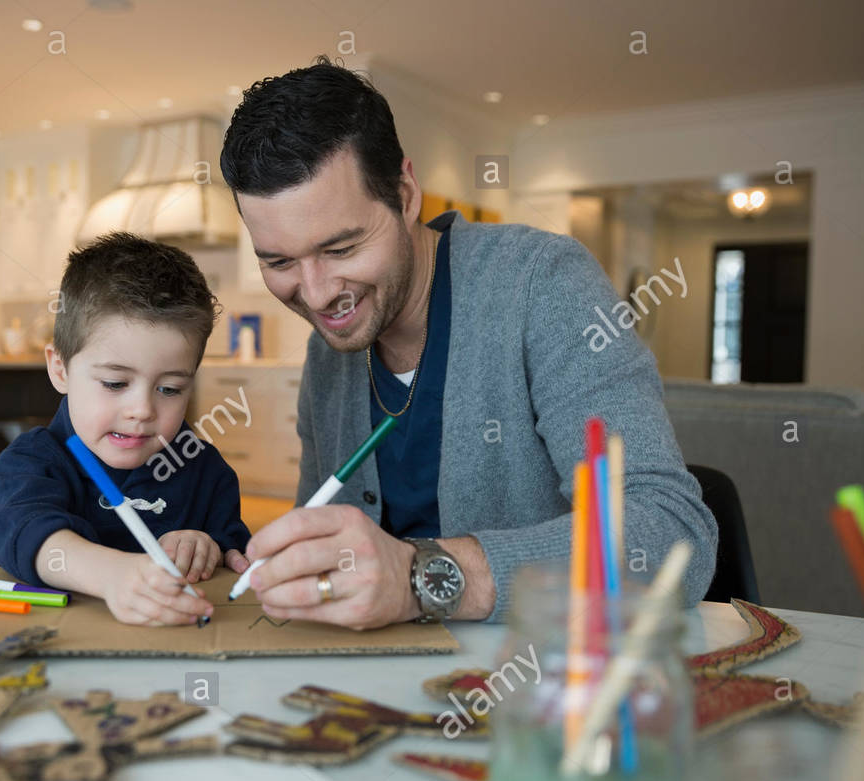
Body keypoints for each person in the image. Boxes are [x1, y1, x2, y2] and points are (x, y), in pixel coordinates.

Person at [219, 57, 717, 629]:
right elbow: (322, 535)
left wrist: (423, 578)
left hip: (538, 684)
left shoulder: (544, 284)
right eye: (279, 261)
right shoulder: (328, 351)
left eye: (340, 249)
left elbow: (670, 531)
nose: (316, 295)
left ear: (406, 196)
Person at [0, 233, 251, 626]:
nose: (142, 410)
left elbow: (234, 552)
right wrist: (114, 575)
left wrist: (207, 546)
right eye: (114, 384)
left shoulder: (205, 469)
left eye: (170, 389)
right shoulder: (34, 461)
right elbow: (29, 535)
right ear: (60, 368)